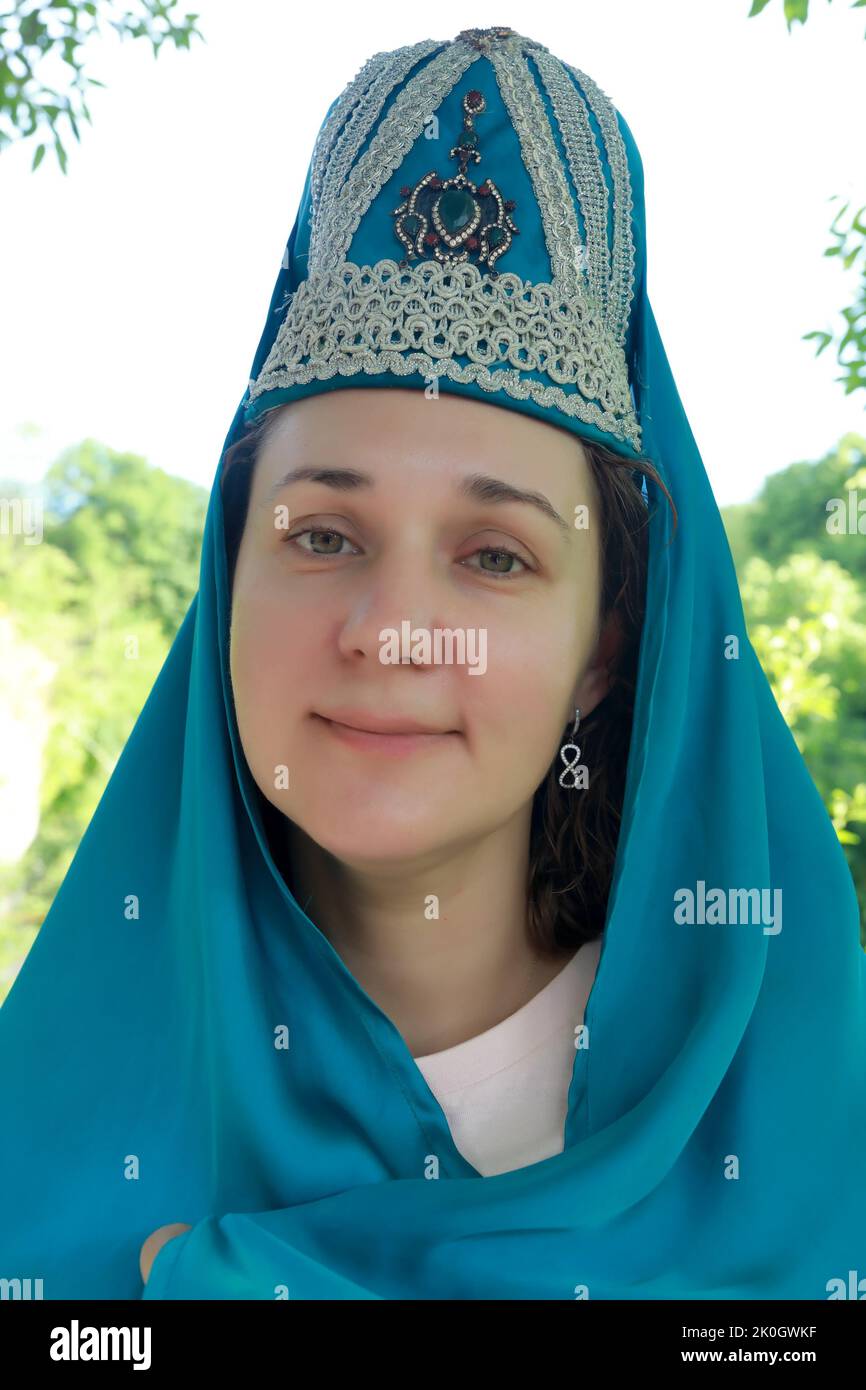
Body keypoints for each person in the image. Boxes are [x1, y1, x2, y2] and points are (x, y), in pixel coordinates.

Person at [2, 25, 864, 1302]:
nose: (392, 629)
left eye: (495, 556)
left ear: (603, 646)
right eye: (325, 534)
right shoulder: (38, 1136)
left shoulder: (824, 1141)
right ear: (225, 578)